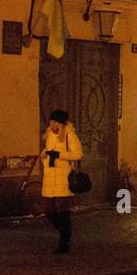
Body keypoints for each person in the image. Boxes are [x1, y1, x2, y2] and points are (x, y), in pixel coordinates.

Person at [40, 109, 83, 254]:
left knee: (63, 211)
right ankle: (65, 234)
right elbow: (47, 150)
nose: (51, 124)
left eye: (54, 121)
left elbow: (78, 154)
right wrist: (44, 155)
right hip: (49, 177)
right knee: (48, 210)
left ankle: (64, 242)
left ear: (60, 122)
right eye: (50, 121)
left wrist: (59, 154)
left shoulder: (69, 135)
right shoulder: (50, 135)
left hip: (63, 177)